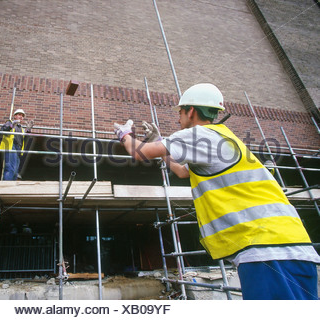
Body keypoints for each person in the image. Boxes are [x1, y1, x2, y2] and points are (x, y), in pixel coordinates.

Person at [114, 83, 320, 300]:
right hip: (285, 245)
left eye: (181, 112)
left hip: (266, 249)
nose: (178, 118)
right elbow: (182, 172)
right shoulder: (223, 136)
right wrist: (158, 141)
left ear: (191, 111)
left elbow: (140, 153)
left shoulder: (200, 135)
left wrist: (125, 134)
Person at [0, 108, 33, 180]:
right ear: (15, 116)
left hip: (18, 149)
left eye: (22, 116)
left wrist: (28, 130)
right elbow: (3, 129)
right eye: (19, 115)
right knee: (10, 168)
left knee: (15, 171)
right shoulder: (10, 122)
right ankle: (6, 186)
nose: (21, 117)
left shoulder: (21, 128)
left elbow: (24, 139)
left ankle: (12, 187)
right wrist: (12, 125)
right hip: (11, 146)